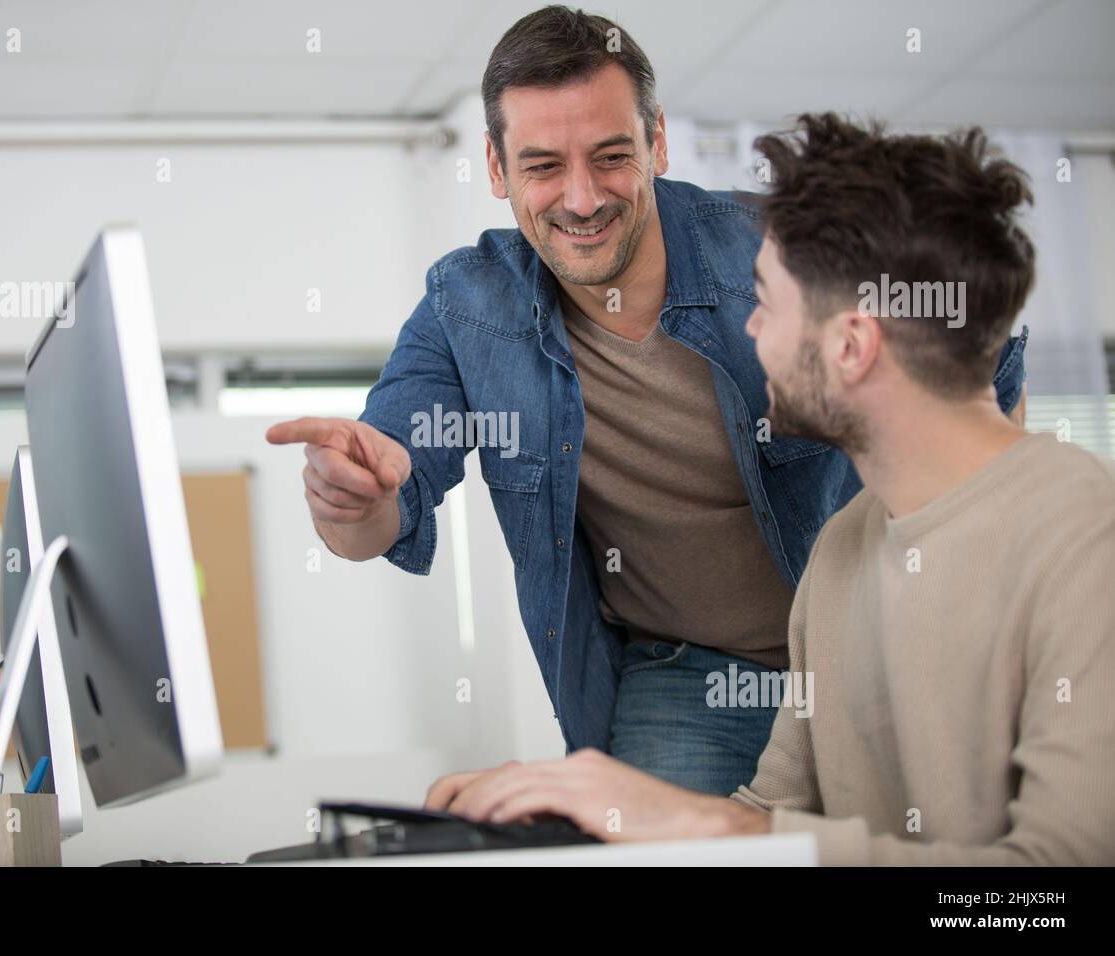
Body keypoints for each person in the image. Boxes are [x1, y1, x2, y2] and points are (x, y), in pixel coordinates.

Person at [266, 6, 1026, 795]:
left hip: (880, 646)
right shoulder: (467, 309)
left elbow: (986, 362)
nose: (584, 199)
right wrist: (351, 502)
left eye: (611, 155)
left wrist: (986, 588)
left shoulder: (782, 253)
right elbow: (381, 503)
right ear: (495, 168)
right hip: (692, 675)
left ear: (657, 141)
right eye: (542, 167)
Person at [437, 113, 1115, 865]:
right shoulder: (844, 550)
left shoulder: (1084, 536)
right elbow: (772, 816)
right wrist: (578, 827)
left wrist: (715, 829)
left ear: (851, 346)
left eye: (768, 302)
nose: (751, 328)